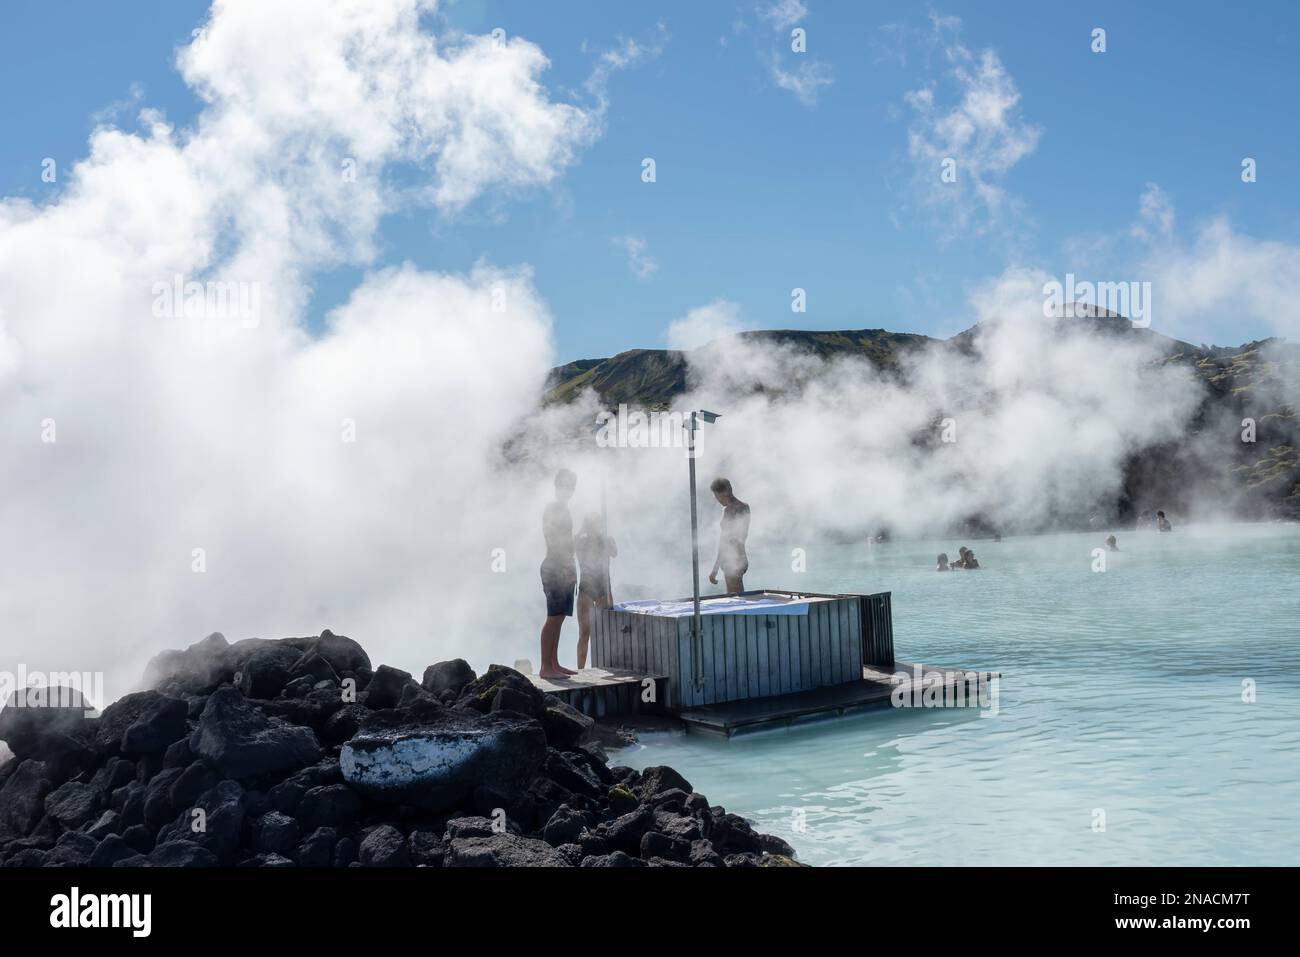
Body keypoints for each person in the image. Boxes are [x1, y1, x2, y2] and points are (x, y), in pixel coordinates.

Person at [538, 469, 578, 679]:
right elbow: (551, 536)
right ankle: (546, 667)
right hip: (555, 567)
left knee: (560, 616)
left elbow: (567, 540)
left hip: (565, 567)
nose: (568, 490)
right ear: (557, 486)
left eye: (571, 486)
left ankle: (554, 663)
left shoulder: (565, 508)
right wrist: (563, 565)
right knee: (553, 617)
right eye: (565, 485)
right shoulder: (552, 508)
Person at [574, 513, 617, 670]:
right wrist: (581, 531)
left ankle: (603, 666)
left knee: (603, 632)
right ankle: (581, 670)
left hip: (602, 588)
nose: (594, 528)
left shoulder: (605, 541)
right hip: (588, 587)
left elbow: (614, 552)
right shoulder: (582, 542)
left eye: (596, 524)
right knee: (586, 633)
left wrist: (604, 540)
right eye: (591, 525)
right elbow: (569, 547)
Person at [707, 477, 750, 593]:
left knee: (735, 599)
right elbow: (742, 535)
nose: (718, 500)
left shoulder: (729, 510)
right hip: (741, 557)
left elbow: (725, 541)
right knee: (738, 596)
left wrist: (715, 569)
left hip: (732, 560)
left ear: (724, 492)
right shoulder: (745, 507)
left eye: (717, 496)